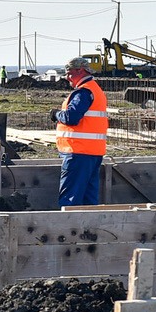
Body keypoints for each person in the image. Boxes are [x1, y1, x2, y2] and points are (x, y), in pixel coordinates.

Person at [53, 57, 107, 207]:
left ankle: (67, 228)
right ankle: (89, 229)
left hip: (78, 152)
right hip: (92, 152)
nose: (67, 77)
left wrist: (56, 114)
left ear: (80, 71)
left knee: (70, 199)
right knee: (88, 200)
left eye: (69, 73)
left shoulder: (83, 92)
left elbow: (71, 117)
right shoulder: (95, 90)